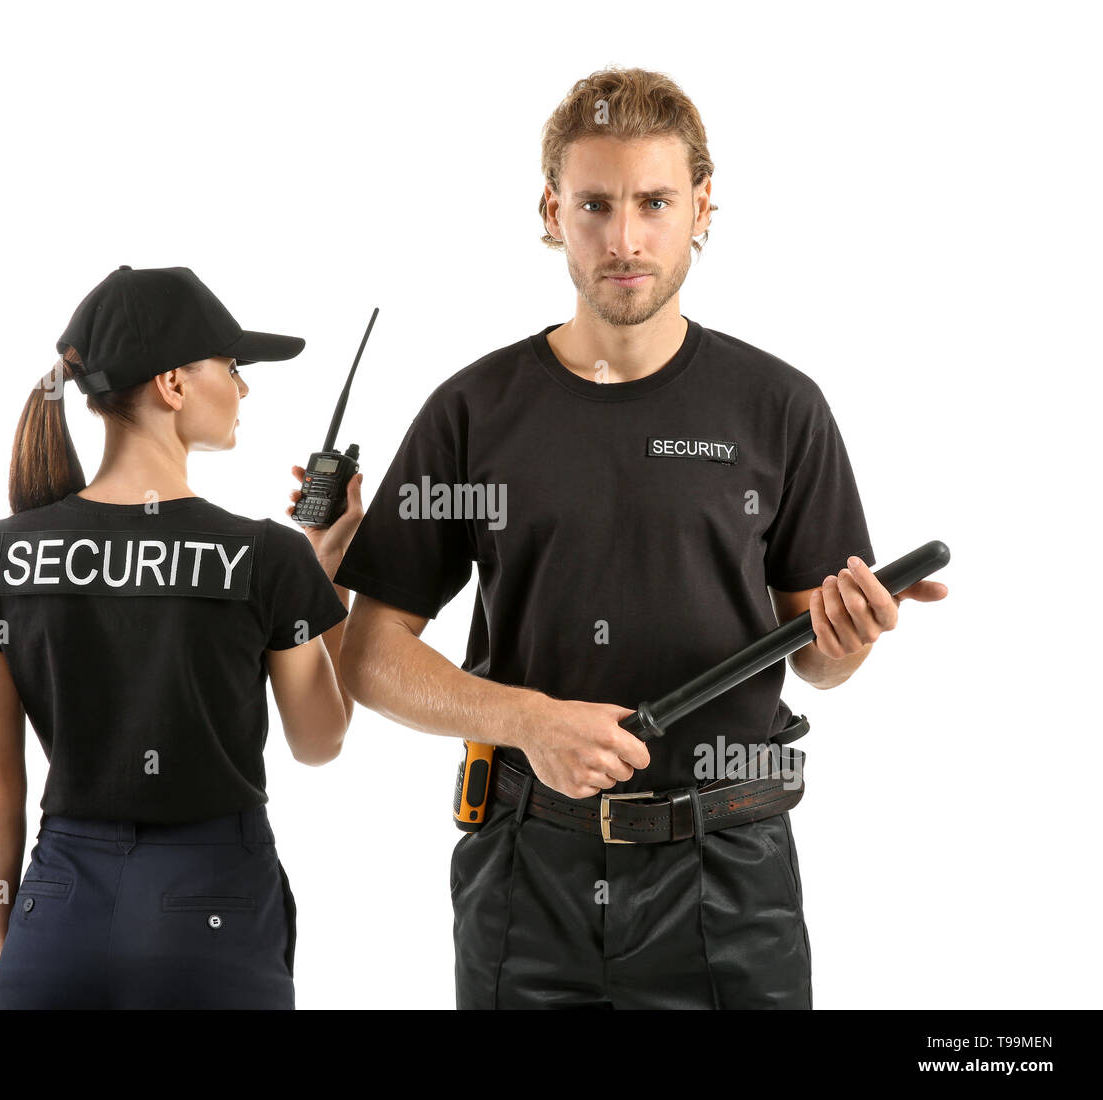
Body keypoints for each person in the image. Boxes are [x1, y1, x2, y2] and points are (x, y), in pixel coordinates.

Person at [332, 68, 948, 1009]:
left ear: (701, 206)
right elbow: (370, 659)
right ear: (552, 210)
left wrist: (847, 640)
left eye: (655, 202)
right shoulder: (472, 413)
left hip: (732, 881)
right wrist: (526, 722)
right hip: (524, 876)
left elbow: (817, 664)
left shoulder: (779, 408)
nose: (624, 240)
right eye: (595, 204)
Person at [0, 264, 363, 1009]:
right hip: (214, 911)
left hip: (59, 908)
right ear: (173, 383)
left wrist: (2, 945)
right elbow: (319, 739)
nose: (243, 388)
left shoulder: (0, 555)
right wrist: (326, 574)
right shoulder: (265, 556)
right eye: (233, 367)